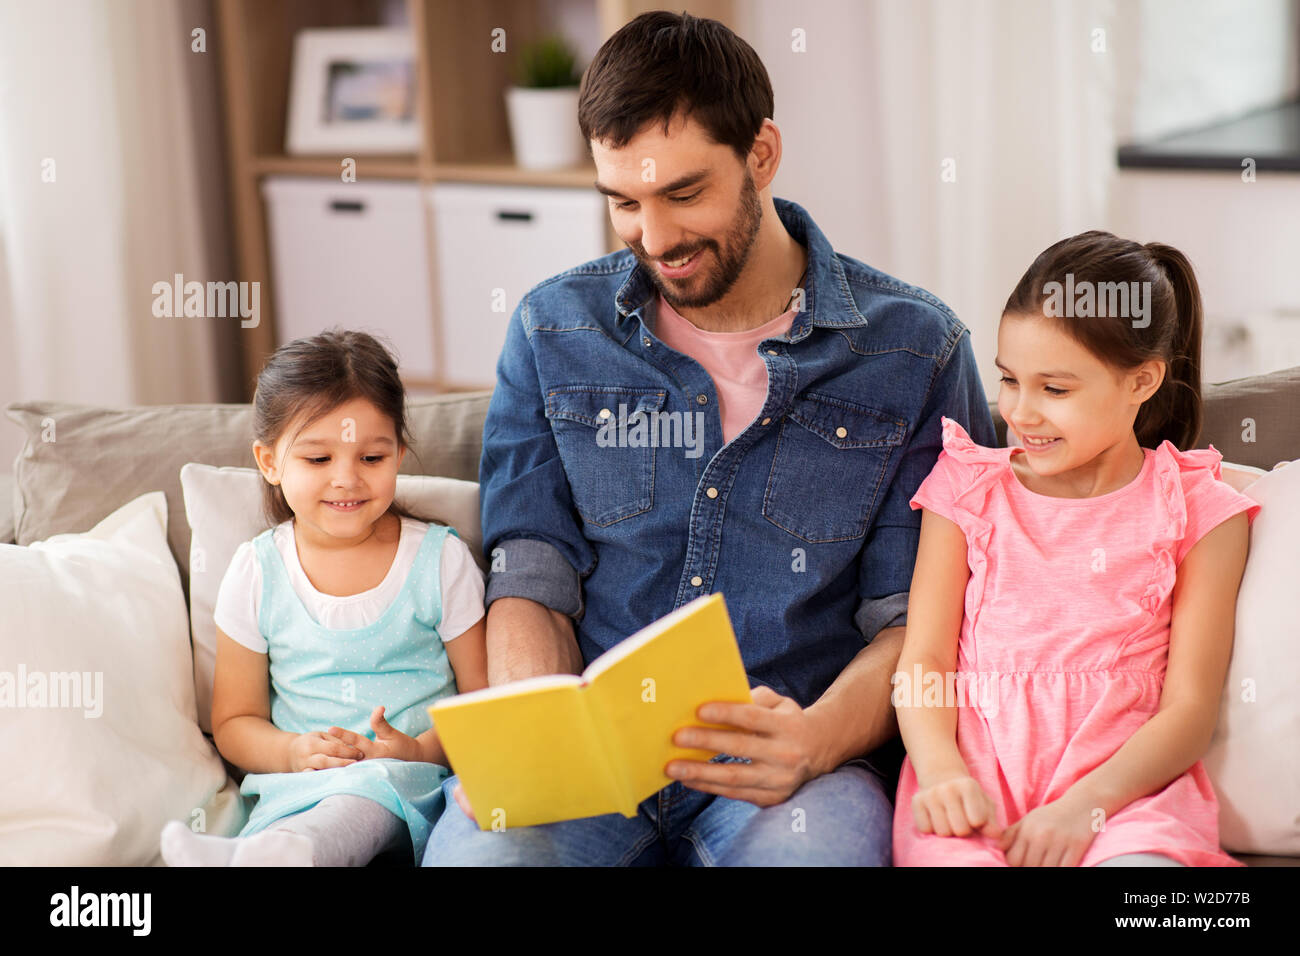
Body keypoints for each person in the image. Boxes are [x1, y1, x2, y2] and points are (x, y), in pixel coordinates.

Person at [423, 11, 995, 866]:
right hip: (591, 764)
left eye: (684, 194)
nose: (655, 240)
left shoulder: (915, 351)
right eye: (624, 202)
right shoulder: (552, 329)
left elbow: (917, 627)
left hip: (795, 766)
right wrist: (534, 741)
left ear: (761, 153)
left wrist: (815, 741)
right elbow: (529, 573)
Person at [893, 231, 1260, 866]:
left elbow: (1190, 708)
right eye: (1009, 380)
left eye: (1054, 390)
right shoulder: (966, 487)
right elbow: (923, 659)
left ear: (1141, 381)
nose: (1018, 412)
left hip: (1126, 801)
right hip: (972, 786)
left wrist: (1082, 809)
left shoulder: (1198, 509)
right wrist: (942, 771)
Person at [161, 329, 488, 866]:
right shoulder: (256, 571)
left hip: (413, 787)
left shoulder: (439, 561)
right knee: (328, 809)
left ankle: (282, 857)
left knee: (364, 794)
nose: (346, 480)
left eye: (371, 458)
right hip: (296, 791)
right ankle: (272, 852)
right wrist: (291, 751)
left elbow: (482, 704)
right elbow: (234, 723)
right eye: (317, 460)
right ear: (269, 463)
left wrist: (419, 749)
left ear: (398, 454)